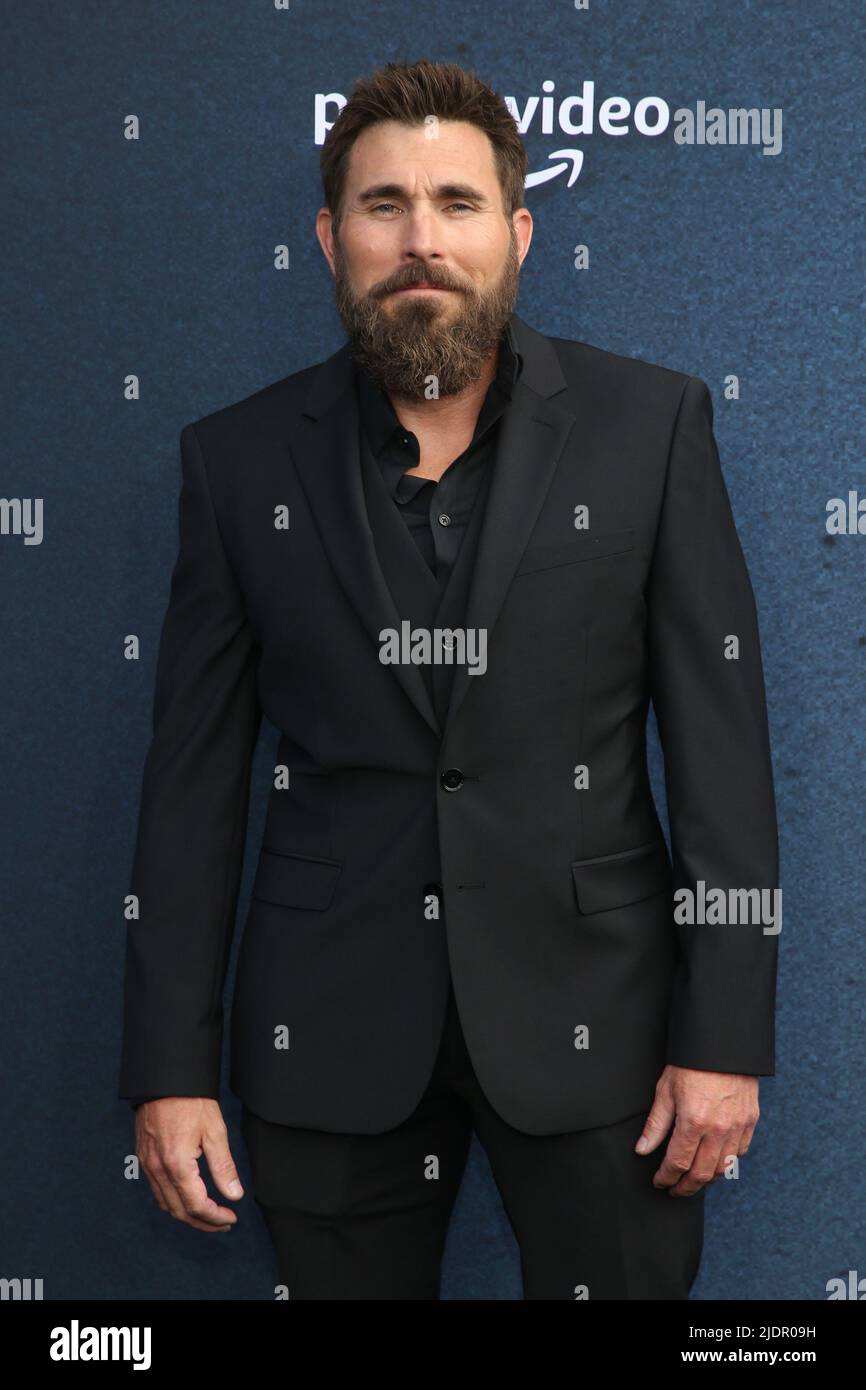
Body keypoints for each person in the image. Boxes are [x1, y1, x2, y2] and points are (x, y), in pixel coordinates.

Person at [120, 59, 779, 1300]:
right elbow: (191, 785)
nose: (420, 240)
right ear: (329, 237)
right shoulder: (237, 460)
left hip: (606, 1036)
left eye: (456, 203)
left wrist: (724, 1040)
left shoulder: (651, 429)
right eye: (382, 206)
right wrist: (170, 1064)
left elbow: (720, 760)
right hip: (325, 1029)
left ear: (517, 231)